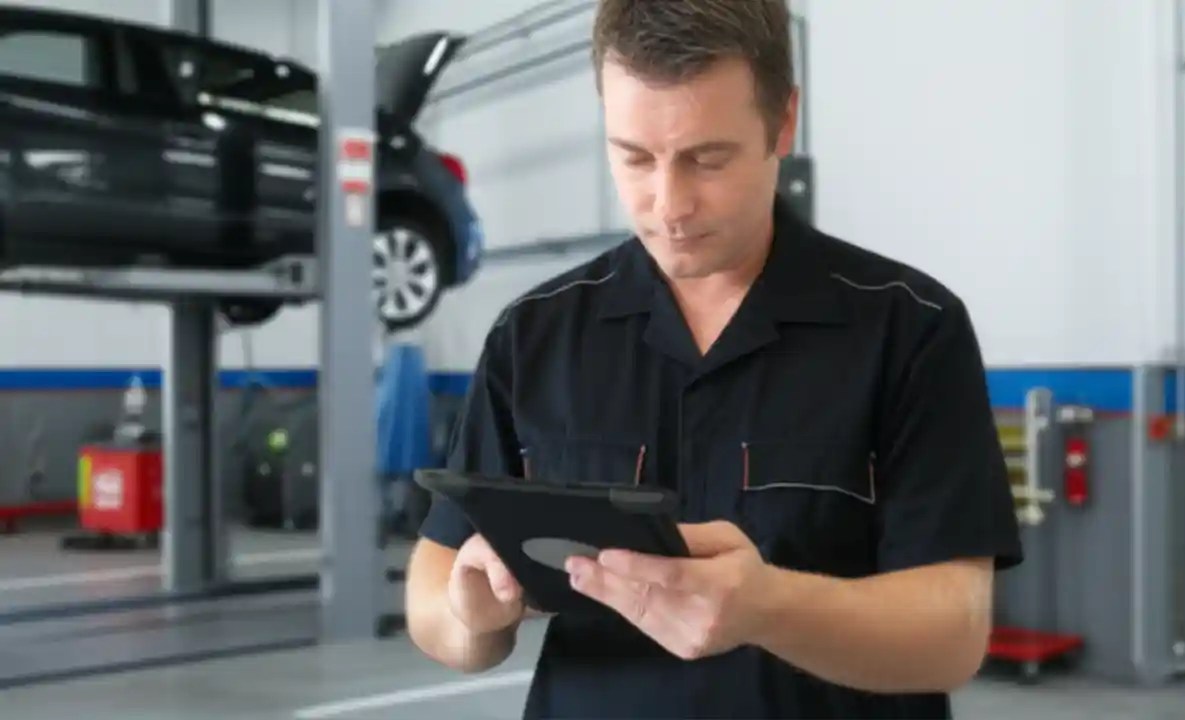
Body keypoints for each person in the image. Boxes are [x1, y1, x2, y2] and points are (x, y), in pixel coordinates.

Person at [405, 0, 1024, 717]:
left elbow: (951, 637)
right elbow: (436, 585)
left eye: (707, 158)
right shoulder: (535, 333)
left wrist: (770, 609)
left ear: (783, 121)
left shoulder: (910, 329)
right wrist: (472, 620)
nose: (669, 204)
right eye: (634, 157)